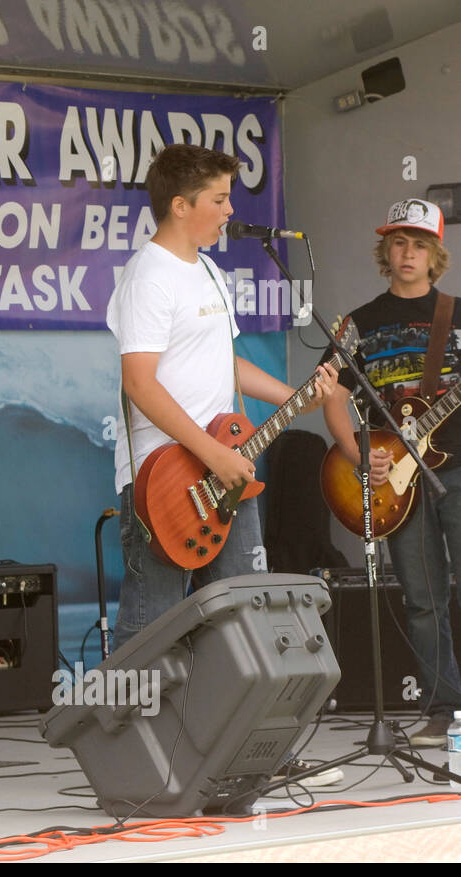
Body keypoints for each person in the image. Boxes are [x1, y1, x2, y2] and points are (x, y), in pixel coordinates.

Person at [109, 143, 339, 784]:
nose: (229, 211)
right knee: (150, 622)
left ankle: (256, 757)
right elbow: (140, 383)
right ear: (180, 206)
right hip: (165, 476)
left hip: (223, 469)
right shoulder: (149, 276)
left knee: (244, 612)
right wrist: (211, 452)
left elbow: (225, 365)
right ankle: (122, 755)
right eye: (218, 199)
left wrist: (299, 394)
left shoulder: (207, 272)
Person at [321, 198, 461, 748]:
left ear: (436, 254)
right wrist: (360, 453)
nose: (408, 254)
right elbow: (330, 393)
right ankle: (440, 711)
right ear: (386, 251)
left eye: (419, 244)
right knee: (423, 599)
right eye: (399, 243)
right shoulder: (360, 322)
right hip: (395, 481)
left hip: (460, 466)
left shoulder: (457, 313)